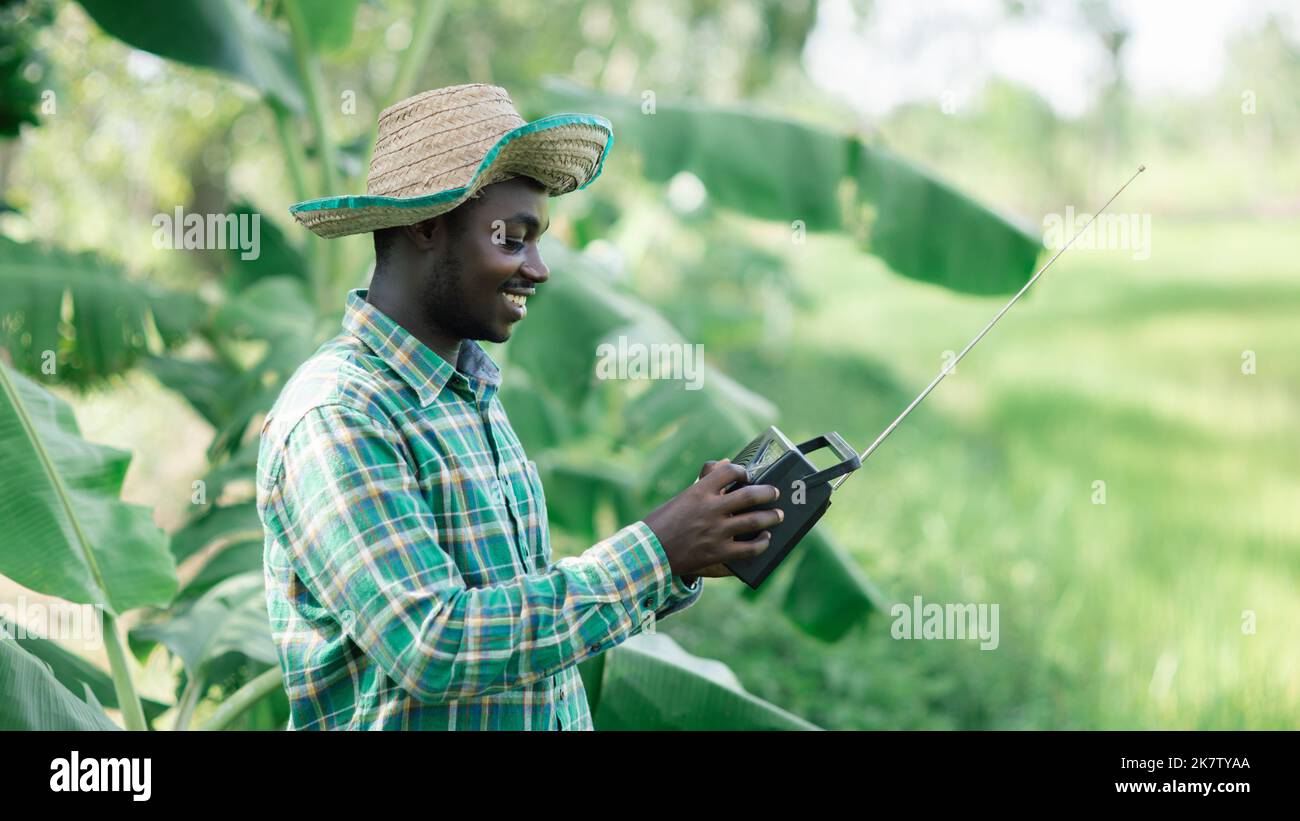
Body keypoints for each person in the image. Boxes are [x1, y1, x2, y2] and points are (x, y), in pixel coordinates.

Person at [256, 83, 782, 730]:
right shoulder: (338, 415)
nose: (539, 268)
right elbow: (433, 644)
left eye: (539, 242)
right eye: (513, 240)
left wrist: (685, 555)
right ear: (426, 223)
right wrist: (656, 550)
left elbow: (515, 622)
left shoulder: (470, 391)